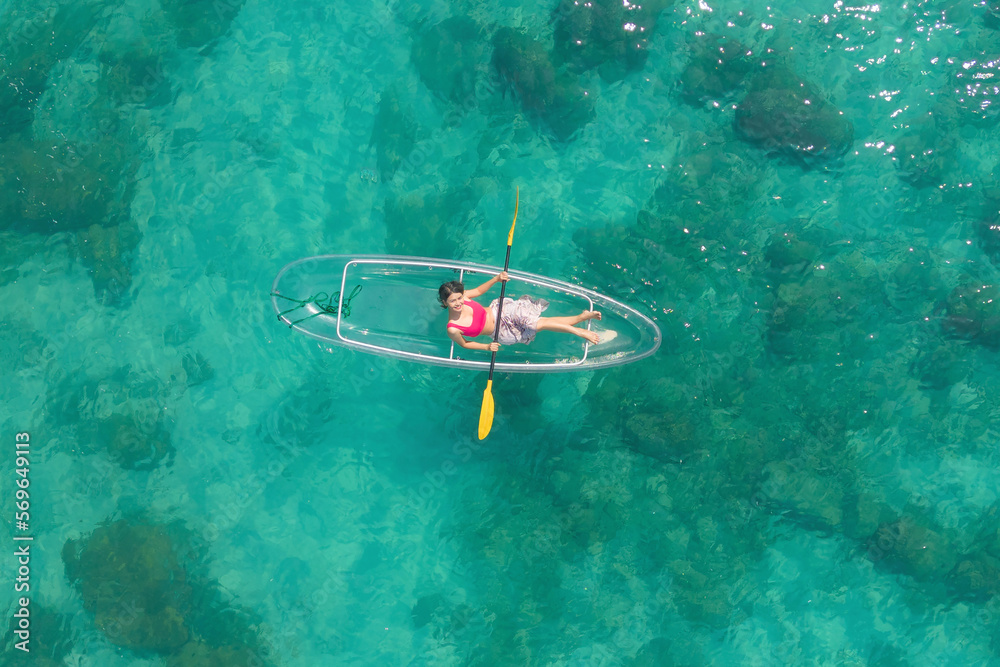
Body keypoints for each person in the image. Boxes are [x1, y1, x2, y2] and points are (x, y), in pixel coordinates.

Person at [440, 271, 603, 352]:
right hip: (501, 332)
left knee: (538, 324)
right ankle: (580, 317)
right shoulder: (453, 328)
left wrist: (496, 279)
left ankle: (579, 332)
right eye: (453, 301)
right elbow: (464, 344)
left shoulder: (464, 296)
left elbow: (478, 290)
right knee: (541, 324)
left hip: (501, 311)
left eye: (459, 298)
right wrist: (487, 347)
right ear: (444, 302)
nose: (458, 303)